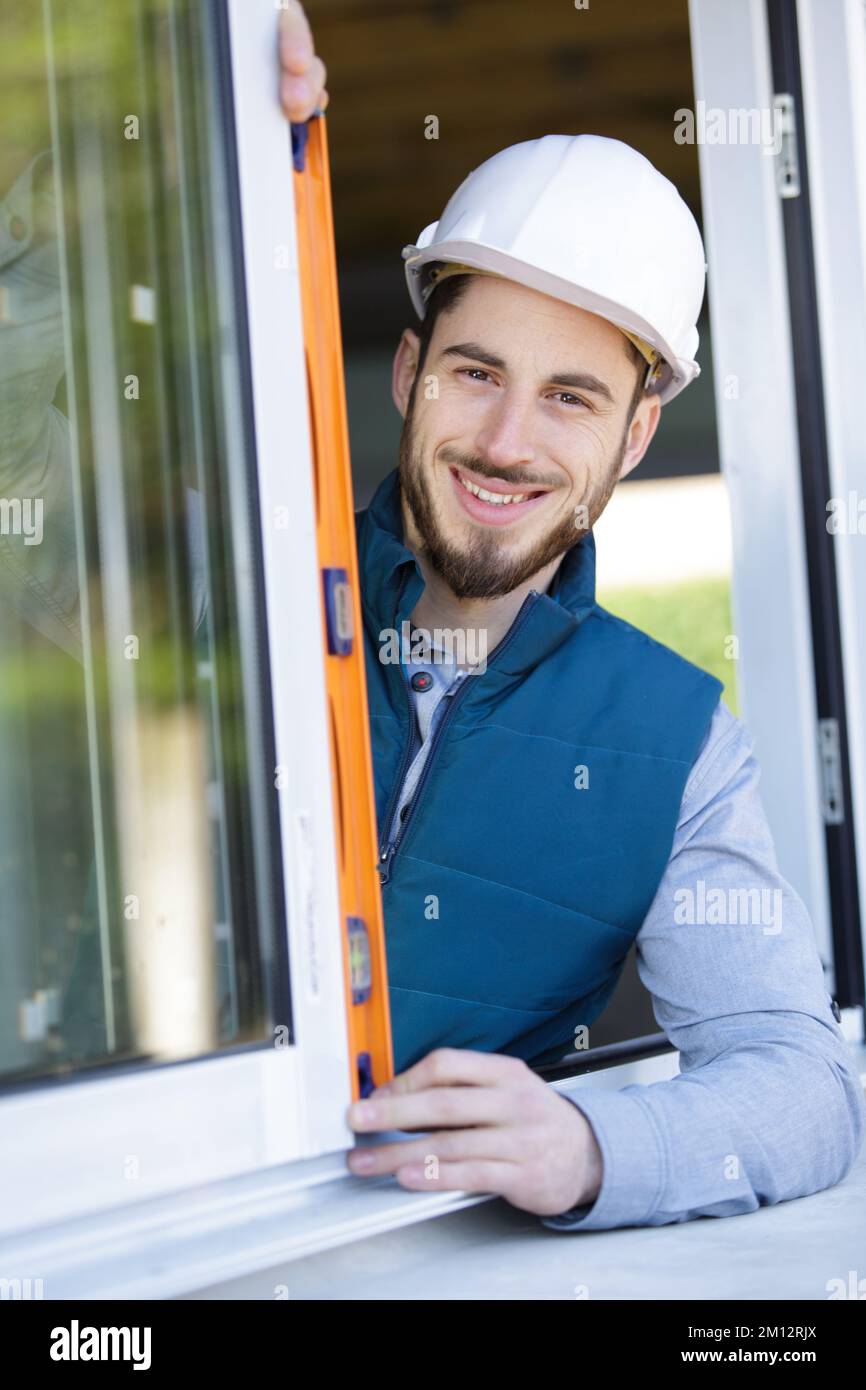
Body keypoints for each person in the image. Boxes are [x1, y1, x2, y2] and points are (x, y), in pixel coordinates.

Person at [278, 2, 865, 1230]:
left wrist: (592, 1144)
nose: (503, 442)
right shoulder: (259, 600)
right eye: (476, 372)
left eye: (568, 397)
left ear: (633, 437)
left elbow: (804, 1089)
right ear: (406, 373)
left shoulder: (679, 744)